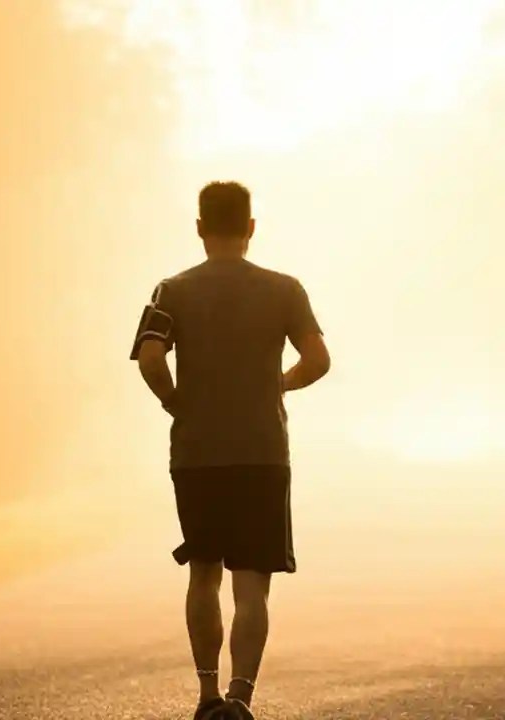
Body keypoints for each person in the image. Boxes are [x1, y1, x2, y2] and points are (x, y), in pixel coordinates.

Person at [131, 181, 331, 720]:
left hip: (197, 453)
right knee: (251, 585)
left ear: (199, 228)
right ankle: (241, 698)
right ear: (250, 229)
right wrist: (278, 385)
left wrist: (177, 403)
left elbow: (151, 359)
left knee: (204, 573)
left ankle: (206, 694)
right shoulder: (285, 290)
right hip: (263, 452)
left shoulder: (171, 291)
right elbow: (318, 359)